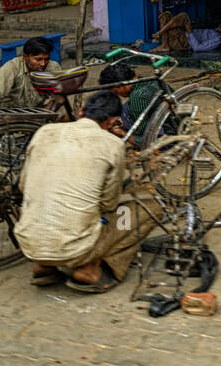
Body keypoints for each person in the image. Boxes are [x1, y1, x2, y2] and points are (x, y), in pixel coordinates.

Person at [14, 91, 149, 293]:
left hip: (29, 245)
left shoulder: (44, 132)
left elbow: (23, 186)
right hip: (75, 248)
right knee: (140, 211)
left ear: (81, 111)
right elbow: (108, 204)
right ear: (113, 121)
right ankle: (90, 269)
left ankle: (44, 265)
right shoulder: (113, 144)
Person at [0, 36, 61, 109]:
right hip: (9, 112)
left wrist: (48, 109)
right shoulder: (12, 67)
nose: (43, 64)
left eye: (47, 59)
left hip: (35, 111)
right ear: (25, 57)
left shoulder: (53, 67)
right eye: (38, 59)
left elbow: (60, 94)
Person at [99, 62, 136, 134]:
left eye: (116, 91)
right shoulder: (145, 84)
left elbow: (145, 139)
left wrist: (122, 132)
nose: (118, 95)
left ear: (120, 85)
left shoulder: (136, 98)